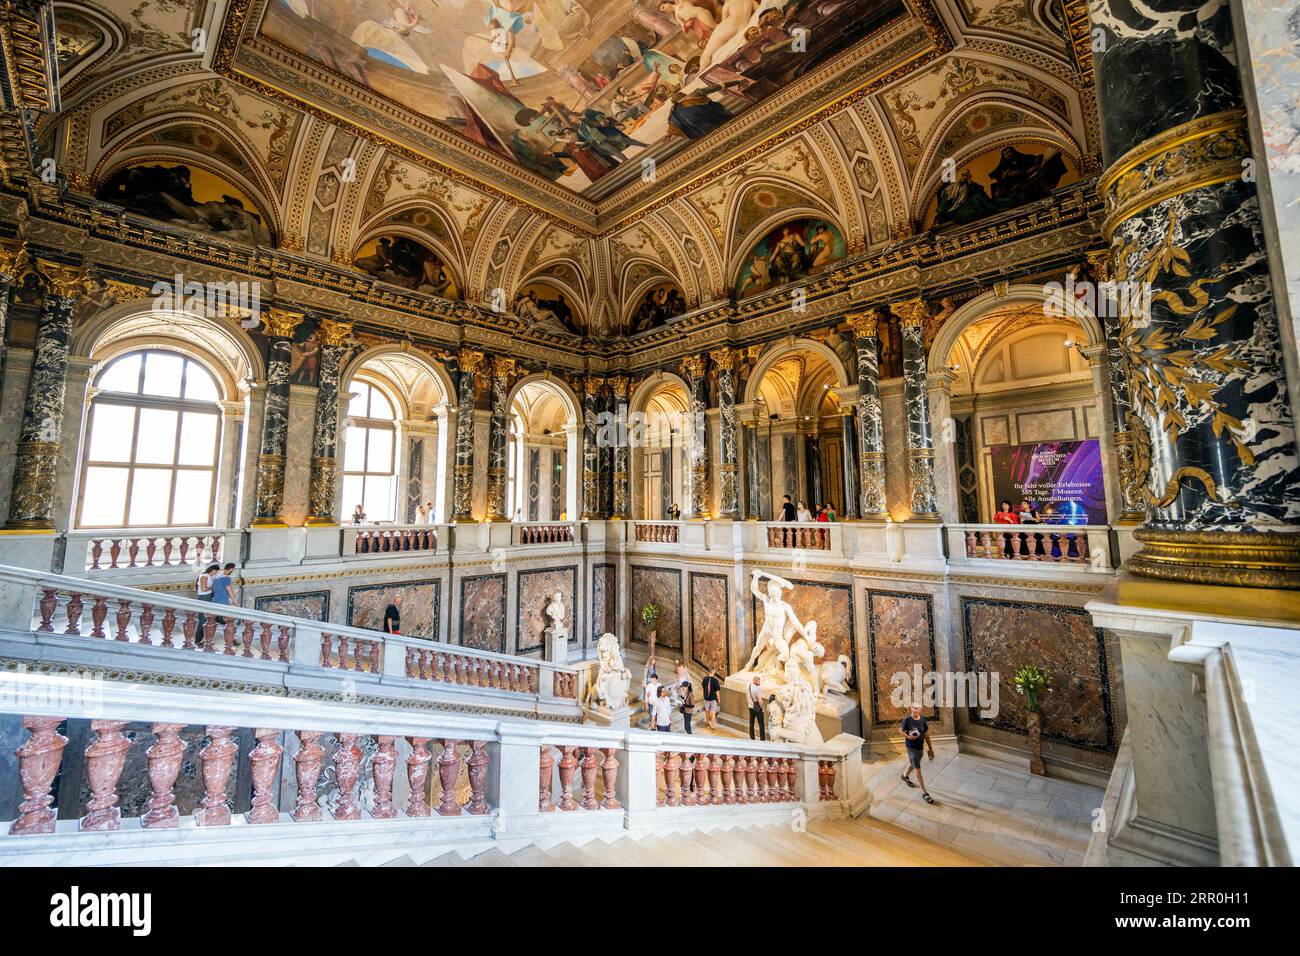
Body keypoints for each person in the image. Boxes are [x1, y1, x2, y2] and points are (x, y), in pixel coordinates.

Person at [900, 702, 935, 804]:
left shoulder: (923, 720)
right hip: (911, 748)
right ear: (911, 708)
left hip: (920, 748)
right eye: (914, 708)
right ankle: (924, 793)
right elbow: (901, 730)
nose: (916, 710)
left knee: (913, 762)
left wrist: (930, 748)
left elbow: (926, 734)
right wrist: (909, 737)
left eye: (918, 708)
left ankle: (904, 775)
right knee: (917, 769)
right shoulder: (907, 720)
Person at [194, 563, 217, 647]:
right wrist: (212, 587)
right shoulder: (205, 576)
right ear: (213, 570)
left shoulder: (204, 575)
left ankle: (201, 640)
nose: (216, 573)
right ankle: (198, 640)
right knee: (203, 619)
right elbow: (203, 589)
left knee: (205, 619)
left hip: (206, 597)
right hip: (204, 598)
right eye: (216, 571)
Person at [211, 561, 238, 625]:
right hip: (223, 602)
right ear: (231, 569)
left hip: (216, 601)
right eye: (233, 570)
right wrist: (235, 602)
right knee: (226, 622)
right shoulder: (226, 578)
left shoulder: (217, 576)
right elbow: (230, 591)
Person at [747, 674, 766, 740]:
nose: (760, 681)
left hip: (750, 707)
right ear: (756, 680)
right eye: (759, 679)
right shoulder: (757, 688)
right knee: (761, 724)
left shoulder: (748, 686)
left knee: (751, 723)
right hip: (757, 708)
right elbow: (760, 700)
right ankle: (762, 739)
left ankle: (752, 737)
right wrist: (762, 708)